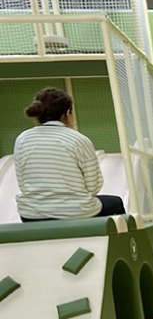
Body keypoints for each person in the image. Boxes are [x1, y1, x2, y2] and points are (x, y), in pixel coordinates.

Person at [13, 87, 125, 222]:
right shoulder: (78, 139)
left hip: (31, 214)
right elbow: (93, 187)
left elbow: (22, 182)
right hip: (76, 212)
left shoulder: (22, 139)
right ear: (68, 113)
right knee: (116, 203)